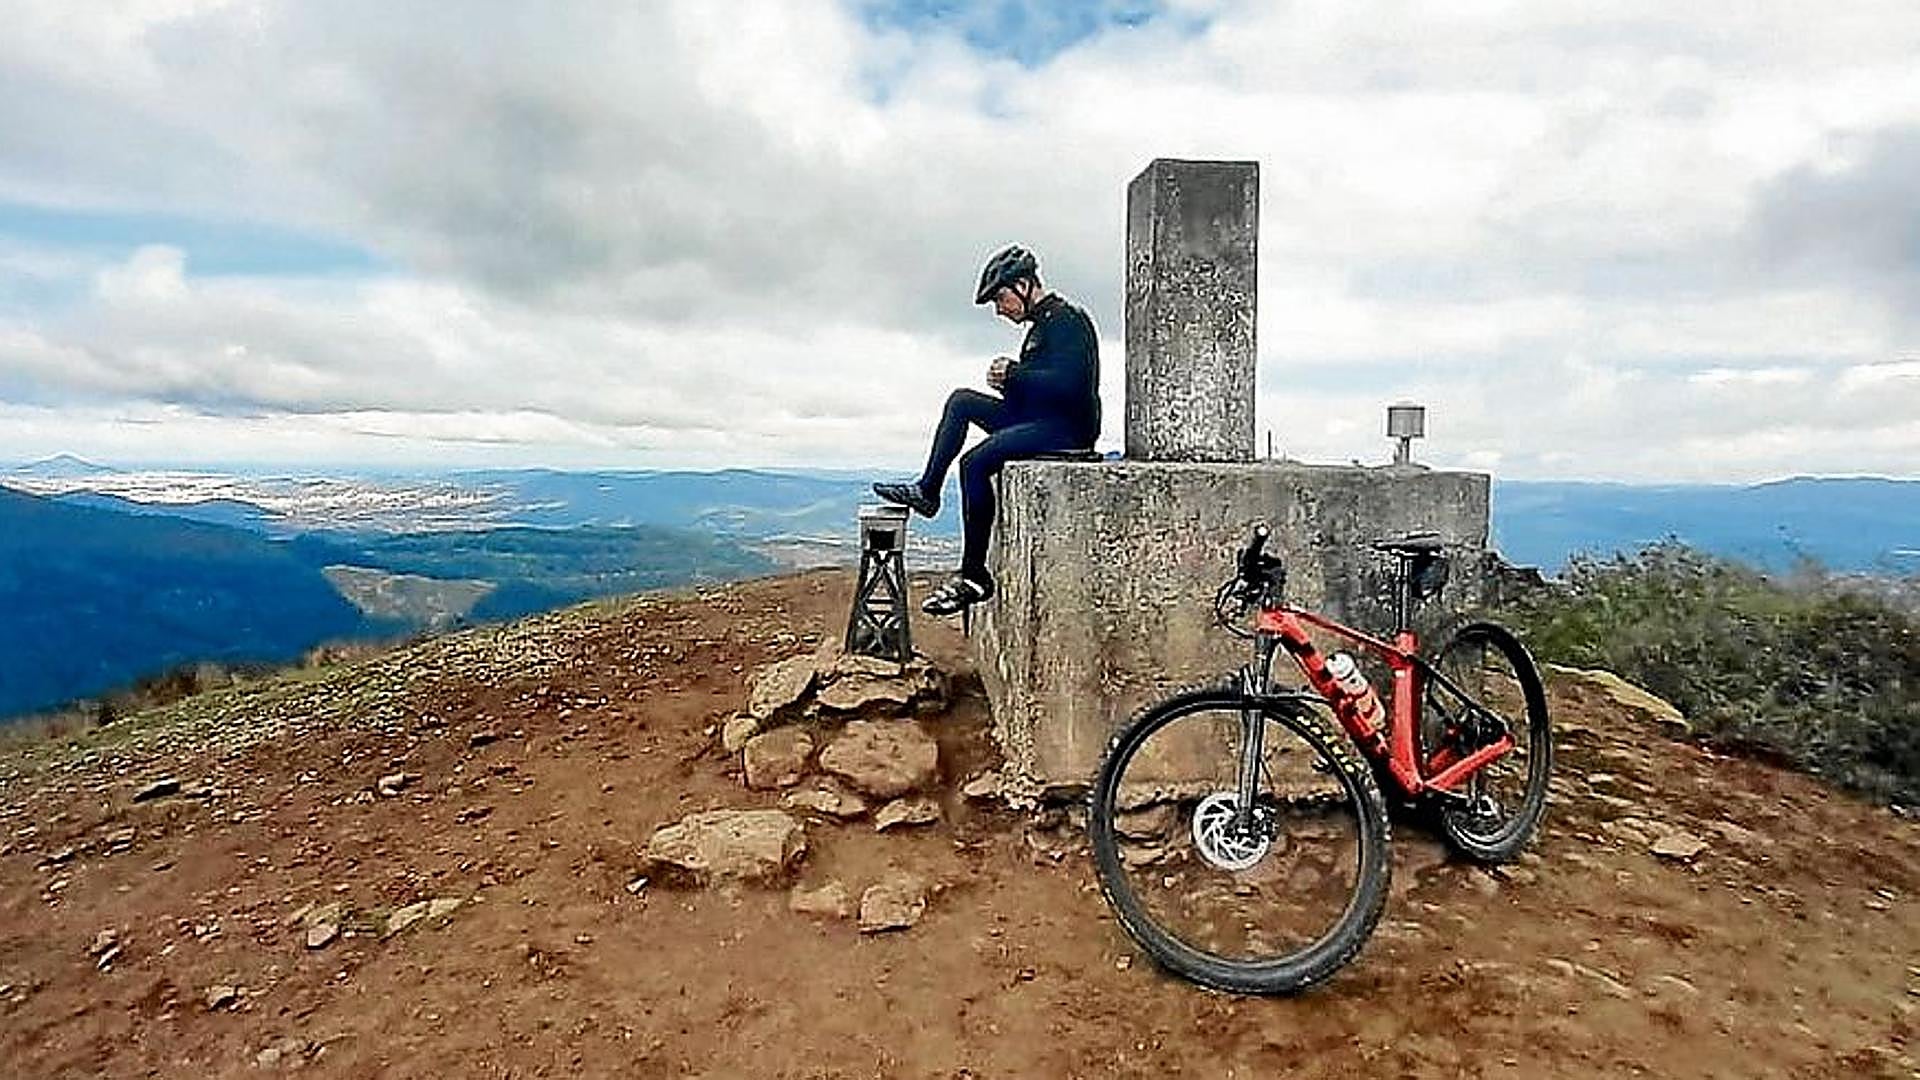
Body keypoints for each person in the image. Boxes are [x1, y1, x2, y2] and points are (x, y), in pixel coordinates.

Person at [874, 244, 1101, 617]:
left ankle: (975, 576)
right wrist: (1010, 383)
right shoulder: (1041, 327)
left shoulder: (1068, 321)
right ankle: (927, 491)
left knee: (974, 463)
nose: (1000, 309)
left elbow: (1072, 386)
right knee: (962, 400)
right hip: (1040, 419)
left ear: (1024, 285)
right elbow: (1041, 388)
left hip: (1067, 430)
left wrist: (1014, 374)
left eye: (1001, 298)